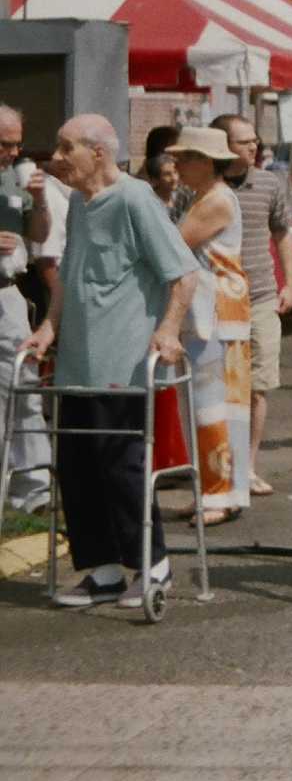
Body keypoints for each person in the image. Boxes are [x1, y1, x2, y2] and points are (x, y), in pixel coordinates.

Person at [24, 115, 200, 610]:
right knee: (78, 467)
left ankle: (153, 564)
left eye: (65, 148)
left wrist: (167, 330)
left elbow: (184, 273)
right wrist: (48, 328)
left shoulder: (135, 198)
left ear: (97, 153)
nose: (55, 157)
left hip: (121, 362)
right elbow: (71, 277)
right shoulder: (80, 204)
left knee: (120, 466)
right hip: (77, 362)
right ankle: (101, 570)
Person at [169, 128, 255, 527]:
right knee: (202, 407)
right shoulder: (204, 197)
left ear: (206, 161)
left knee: (213, 407)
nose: (178, 164)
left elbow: (173, 244)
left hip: (216, 314)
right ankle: (210, 488)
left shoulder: (216, 200)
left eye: (185, 157)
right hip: (210, 312)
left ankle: (221, 491)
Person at [212, 115, 292, 498]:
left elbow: (282, 234)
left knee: (258, 386)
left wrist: (290, 283)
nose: (254, 148)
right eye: (245, 141)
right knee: (220, 386)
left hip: (261, 294)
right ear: (223, 145)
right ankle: (218, 464)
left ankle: (247, 466)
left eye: (255, 140)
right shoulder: (202, 186)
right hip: (216, 298)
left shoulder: (269, 182)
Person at [1, 104, 53, 514]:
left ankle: (34, 489)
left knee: (23, 382)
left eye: (17, 145)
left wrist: (38, 200)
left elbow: (37, 236)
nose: (13, 154)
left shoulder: (13, 177)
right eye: (5, 144)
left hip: (7, 293)